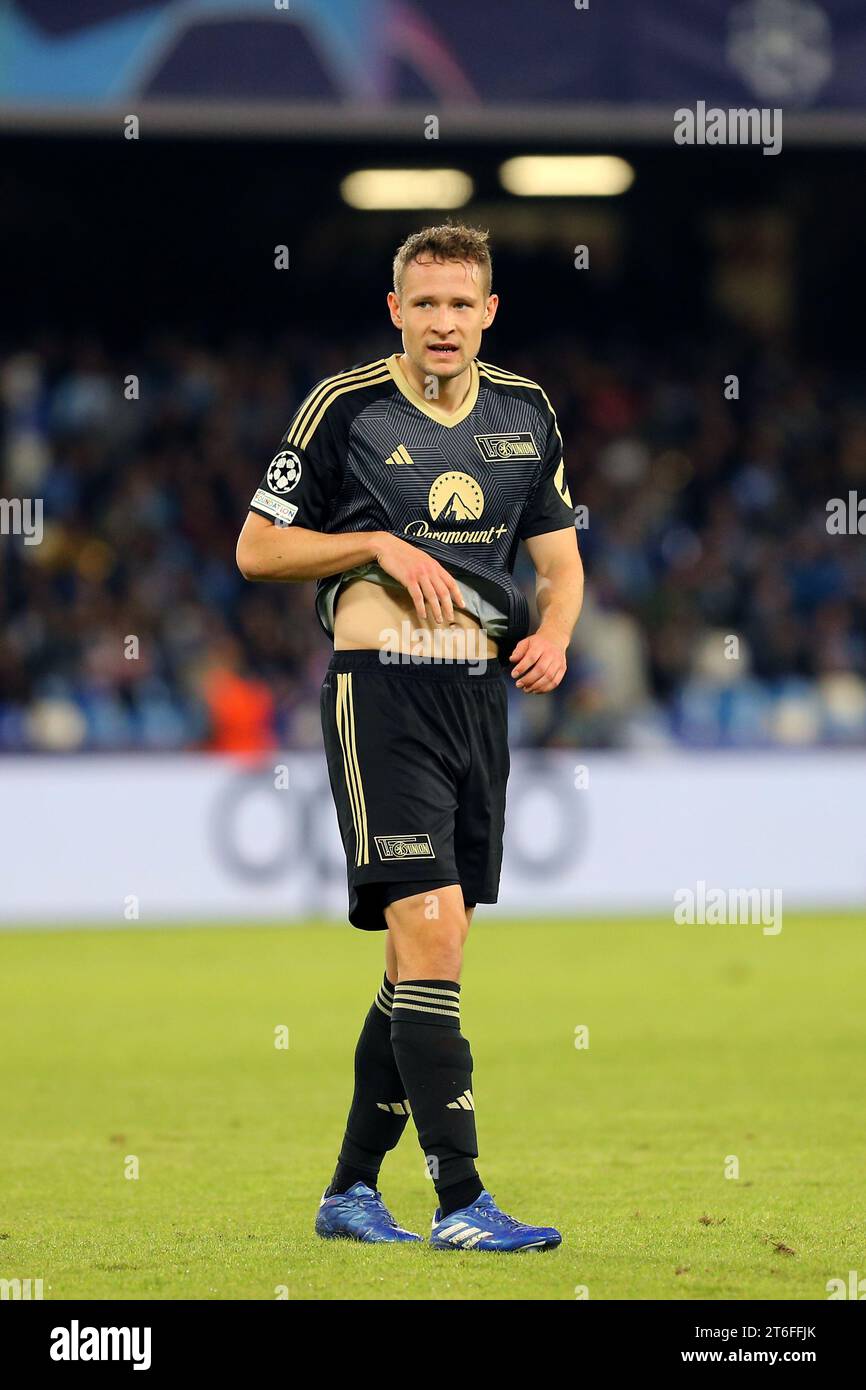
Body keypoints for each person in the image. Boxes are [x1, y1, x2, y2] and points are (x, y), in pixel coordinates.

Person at [236, 223, 584, 1251]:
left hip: (477, 701)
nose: (441, 321)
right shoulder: (343, 408)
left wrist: (554, 638)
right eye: (421, 303)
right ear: (395, 310)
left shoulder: (524, 413)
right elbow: (257, 548)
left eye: (458, 303)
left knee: (424, 952)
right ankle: (461, 1202)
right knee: (429, 930)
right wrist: (375, 542)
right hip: (381, 692)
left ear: (487, 313)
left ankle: (349, 1189)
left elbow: (558, 566)